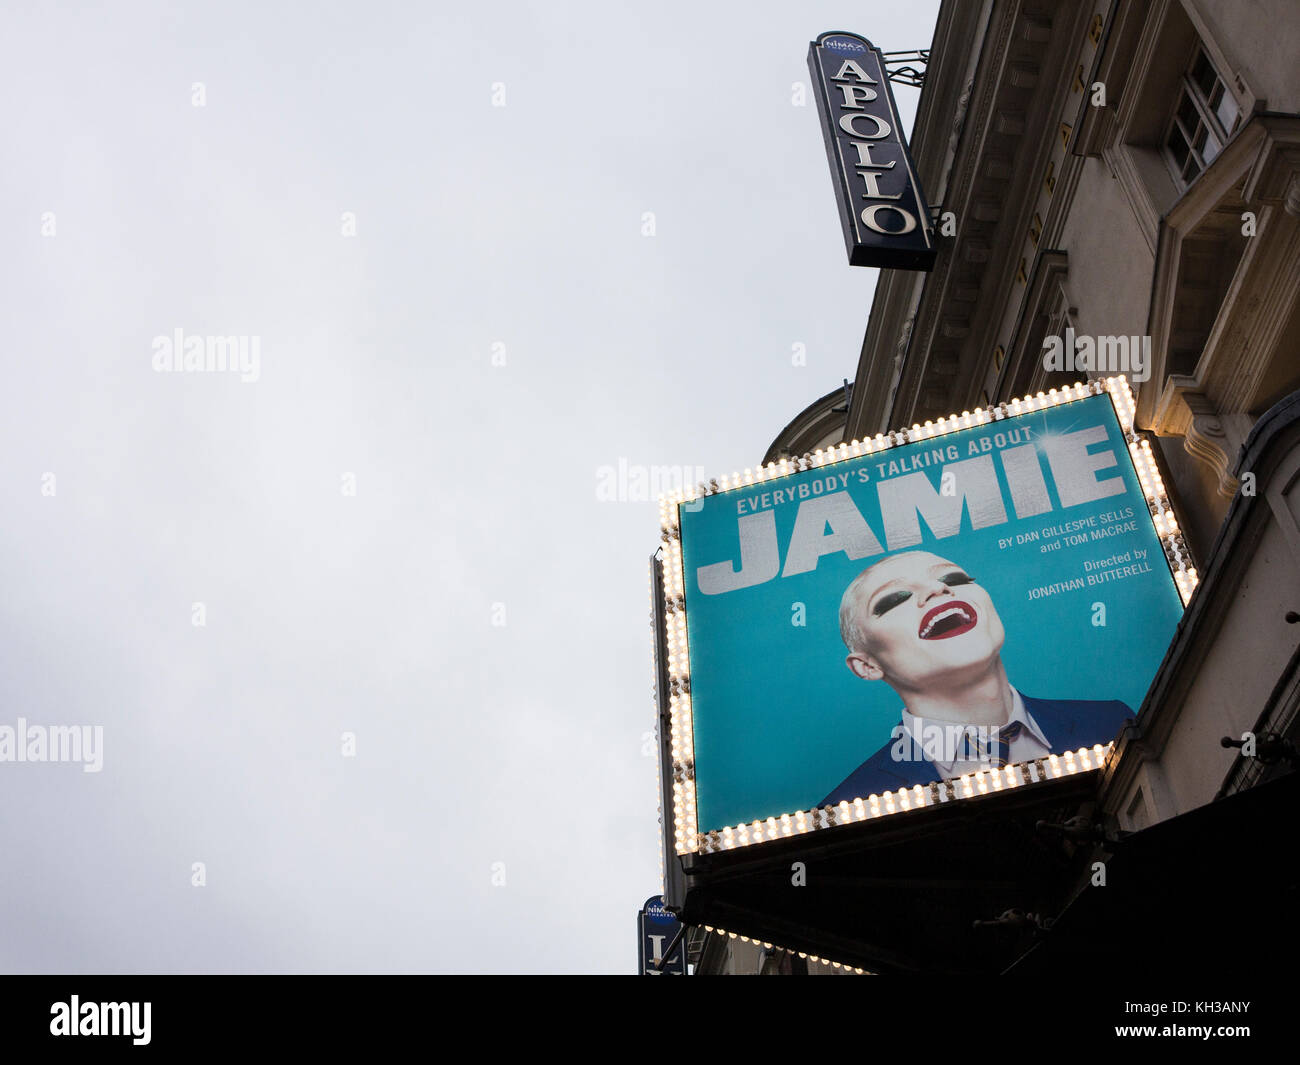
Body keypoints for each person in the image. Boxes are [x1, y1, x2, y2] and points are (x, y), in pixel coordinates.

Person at [820, 550, 1132, 806]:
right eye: (895, 599)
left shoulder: (1111, 721)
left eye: (953, 578)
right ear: (867, 666)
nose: (938, 589)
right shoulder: (850, 804)